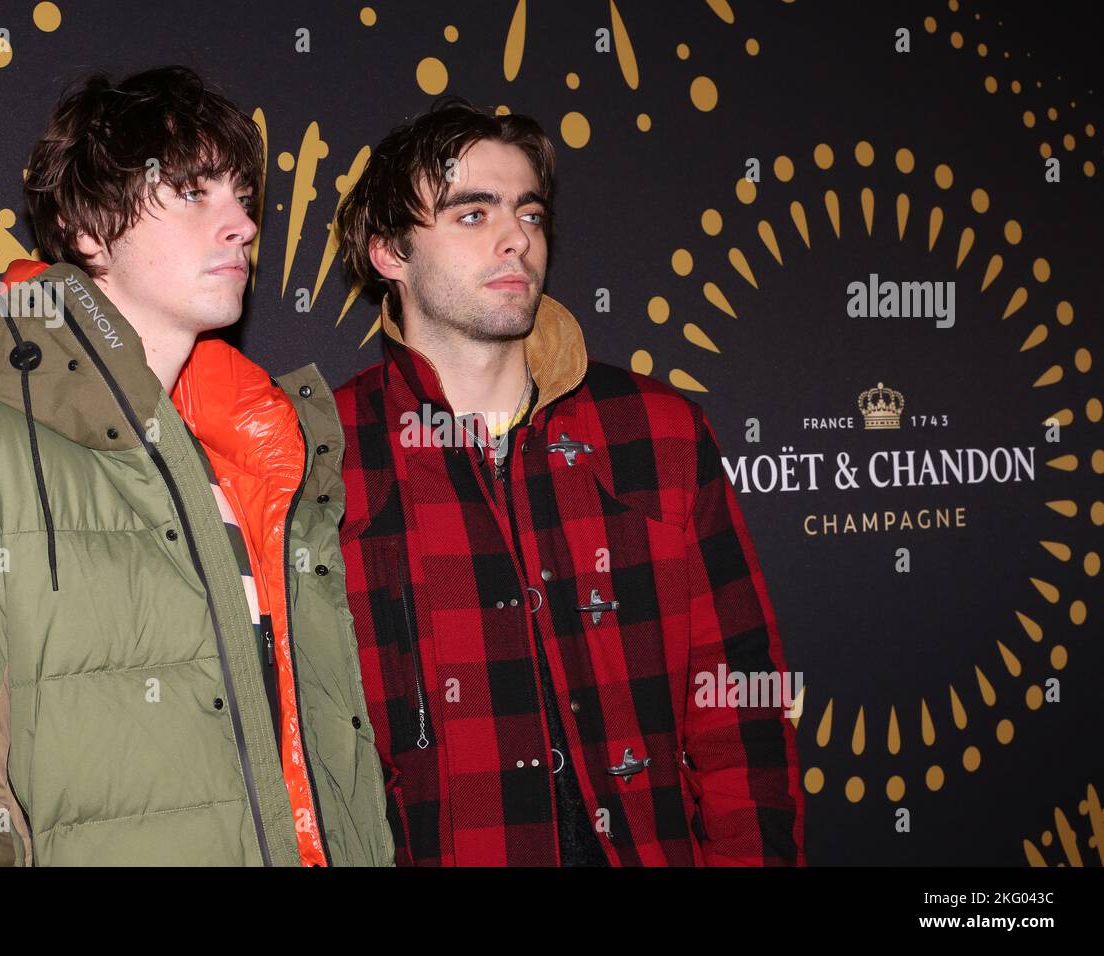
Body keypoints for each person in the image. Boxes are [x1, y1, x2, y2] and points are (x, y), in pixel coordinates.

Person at [0, 66, 392, 866]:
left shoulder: (259, 458)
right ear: (85, 226)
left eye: (243, 196)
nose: (241, 223)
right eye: (195, 192)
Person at [329, 96, 805, 866]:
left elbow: (740, 709)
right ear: (389, 251)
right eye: (473, 215)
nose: (516, 237)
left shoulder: (656, 429)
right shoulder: (327, 454)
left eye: (530, 213)